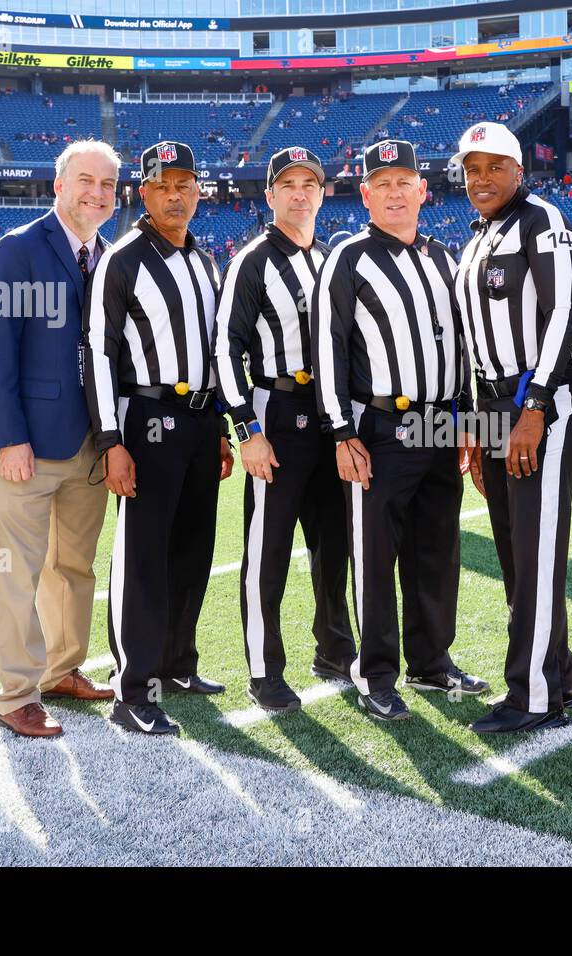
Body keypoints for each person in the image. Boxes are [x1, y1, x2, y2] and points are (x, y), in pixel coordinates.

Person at [312, 139, 488, 722]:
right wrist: (341, 432)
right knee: (376, 552)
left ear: (422, 190)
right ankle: (376, 672)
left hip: (440, 421)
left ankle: (432, 660)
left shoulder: (444, 257)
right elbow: (328, 348)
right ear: (364, 194)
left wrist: (466, 419)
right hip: (381, 425)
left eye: (402, 181)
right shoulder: (348, 257)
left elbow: (463, 345)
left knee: (437, 547)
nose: (393, 191)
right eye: (381, 183)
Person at [83, 141, 234, 736]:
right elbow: (97, 353)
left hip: (199, 423)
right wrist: (111, 441)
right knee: (143, 558)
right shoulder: (123, 260)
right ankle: (133, 688)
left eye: (185, 184)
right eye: (162, 184)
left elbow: (216, 351)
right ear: (142, 193)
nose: (175, 194)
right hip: (146, 420)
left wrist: (220, 427)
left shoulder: (203, 259)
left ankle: (177, 663)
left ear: (198, 191)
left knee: (192, 549)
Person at [0, 140, 120, 739]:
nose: (96, 192)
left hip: (90, 445)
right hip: (28, 447)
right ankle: (16, 693)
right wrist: (9, 437)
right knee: (18, 570)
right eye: (85, 180)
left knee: (74, 567)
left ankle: (63, 670)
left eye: (108, 184)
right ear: (57, 186)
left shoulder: (109, 254)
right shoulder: (17, 250)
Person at [452, 122, 572, 734]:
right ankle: (557, 675)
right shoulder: (478, 237)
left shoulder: (541, 221)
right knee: (514, 550)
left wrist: (534, 406)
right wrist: (474, 426)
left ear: (518, 170)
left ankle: (532, 695)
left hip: (539, 400)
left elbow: (565, 312)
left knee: (534, 551)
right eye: (471, 169)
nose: (481, 179)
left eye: (493, 167)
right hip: (491, 403)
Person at [214, 146, 356, 712]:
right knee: (268, 548)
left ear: (322, 193)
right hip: (278, 411)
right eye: (288, 184)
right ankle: (264, 668)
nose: (300, 193)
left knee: (334, 543)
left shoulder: (329, 258)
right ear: (269, 195)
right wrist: (247, 428)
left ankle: (334, 649)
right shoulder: (252, 260)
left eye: (310, 184)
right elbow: (224, 351)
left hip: (330, 417)